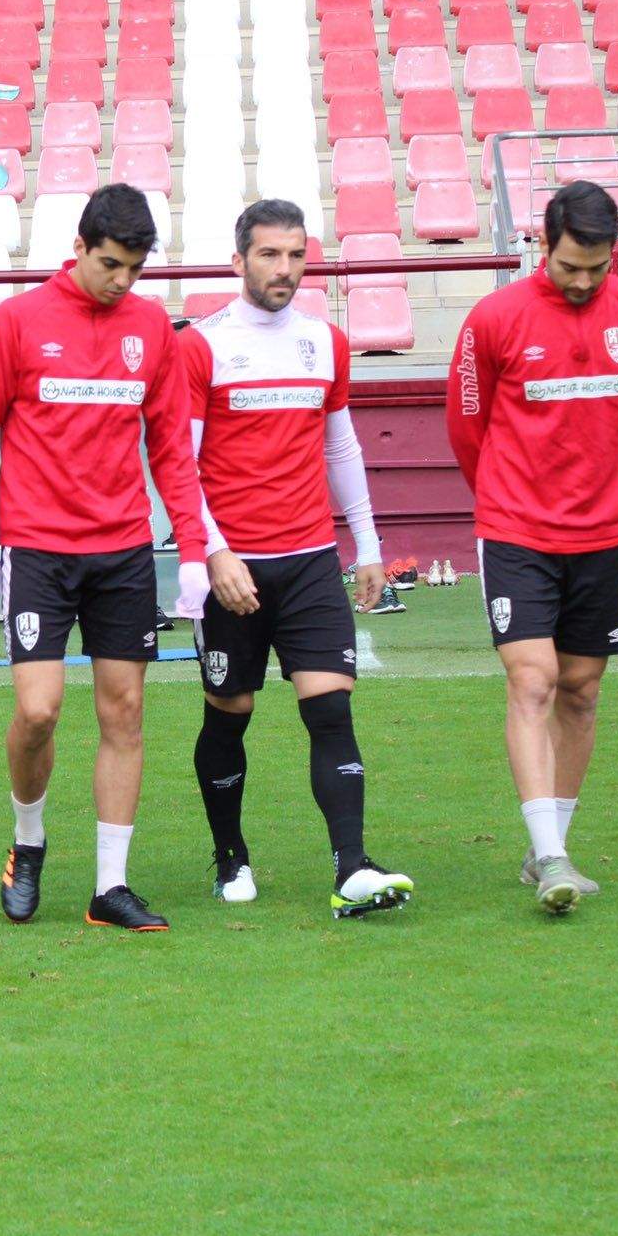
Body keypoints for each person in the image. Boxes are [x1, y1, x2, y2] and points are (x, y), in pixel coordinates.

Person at [0, 184, 211, 932]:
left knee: (124, 713)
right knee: (38, 711)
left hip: (123, 549)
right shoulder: (19, 320)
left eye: (134, 268)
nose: (122, 281)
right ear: (79, 248)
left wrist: (193, 550)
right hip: (37, 548)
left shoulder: (152, 328)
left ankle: (110, 886)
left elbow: (171, 447)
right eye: (109, 264)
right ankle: (28, 840)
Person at [180, 200, 414, 917]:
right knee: (231, 712)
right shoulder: (201, 346)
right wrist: (214, 553)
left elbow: (341, 446)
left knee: (331, 709)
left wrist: (368, 546)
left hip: (311, 561)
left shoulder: (325, 342)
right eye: (269, 254)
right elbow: (178, 466)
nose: (284, 269)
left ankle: (353, 866)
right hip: (234, 570)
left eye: (295, 255)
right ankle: (230, 857)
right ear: (239, 261)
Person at [447, 181, 618, 914]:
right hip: (516, 529)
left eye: (597, 268)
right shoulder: (494, 318)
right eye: (571, 266)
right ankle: (550, 856)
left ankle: (551, 846)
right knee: (534, 681)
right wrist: (509, 494)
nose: (582, 281)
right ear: (542, 245)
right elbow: (467, 425)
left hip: (601, 532)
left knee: (581, 689)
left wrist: (603, 484)